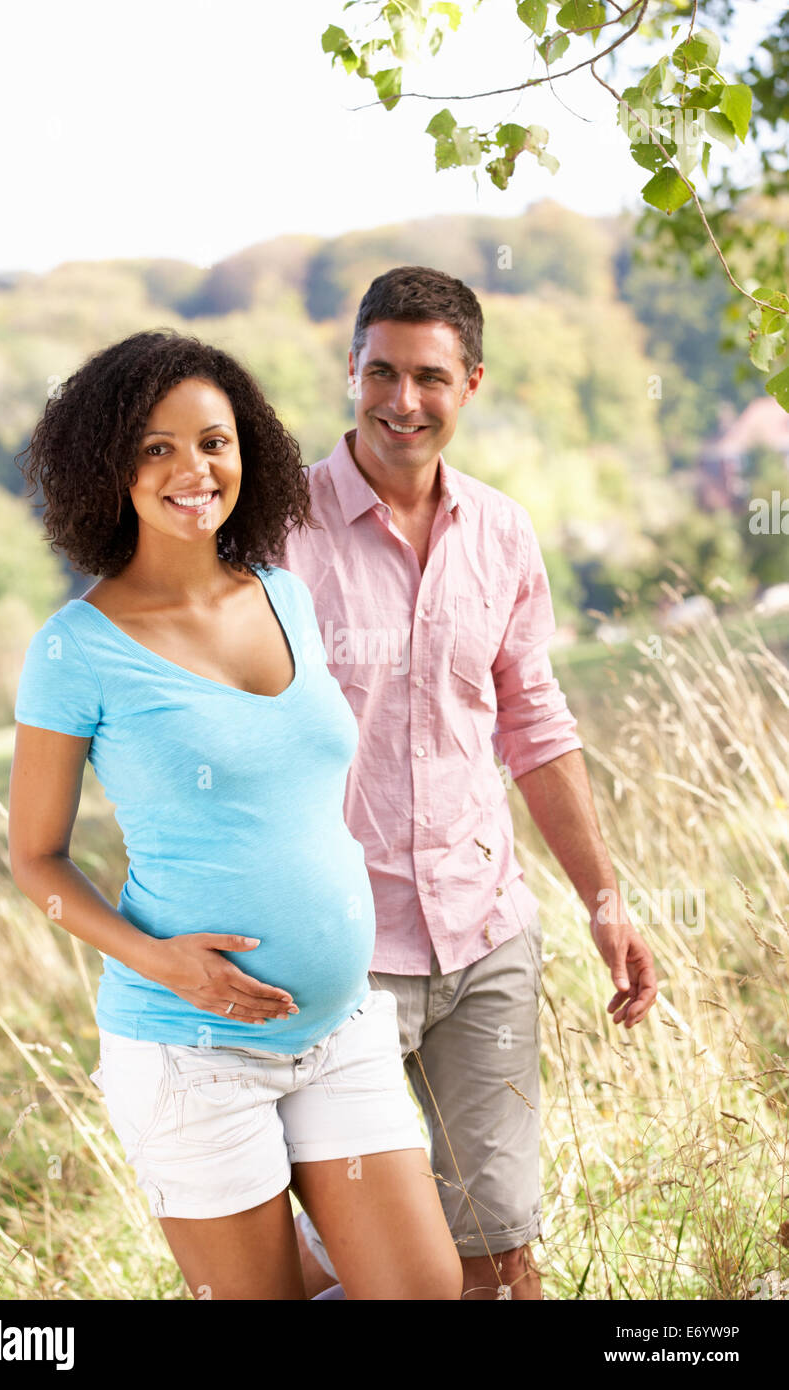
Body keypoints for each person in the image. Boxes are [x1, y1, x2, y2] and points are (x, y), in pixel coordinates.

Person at [8, 329, 463, 1301]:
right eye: (156, 448)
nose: (193, 470)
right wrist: (160, 959)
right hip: (191, 1050)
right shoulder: (75, 649)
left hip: (339, 1026)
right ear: (109, 469)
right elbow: (35, 860)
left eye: (213, 442)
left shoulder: (285, 596)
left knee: (424, 1289)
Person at [281, 266, 659, 1300]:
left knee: (498, 1257)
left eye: (430, 377)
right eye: (382, 372)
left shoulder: (501, 532)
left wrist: (605, 904)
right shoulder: (276, 530)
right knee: (366, 1266)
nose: (403, 400)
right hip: (340, 956)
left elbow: (535, 725)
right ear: (350, 369)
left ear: (471, 385)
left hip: (484, 932)